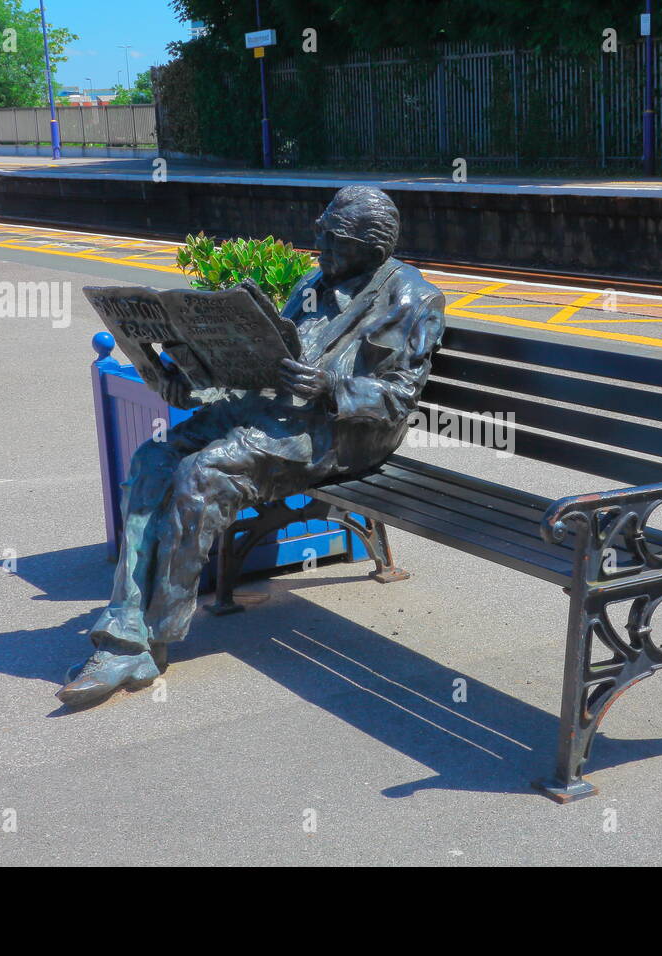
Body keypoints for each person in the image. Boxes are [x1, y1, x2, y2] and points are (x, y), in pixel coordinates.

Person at [58, 185, 445, 708]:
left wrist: (332, 388)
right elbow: (259, 364)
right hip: (268, 410)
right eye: (319, 232)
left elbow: (400, 399)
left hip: (340, 434)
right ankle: (126, 628)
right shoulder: (313, 282)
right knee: (152, 459)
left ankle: (147, 640)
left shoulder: (413, 298)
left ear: (371, 250)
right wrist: (186, 379)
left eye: (332, 239)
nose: (319, 247)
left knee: (202, 475)